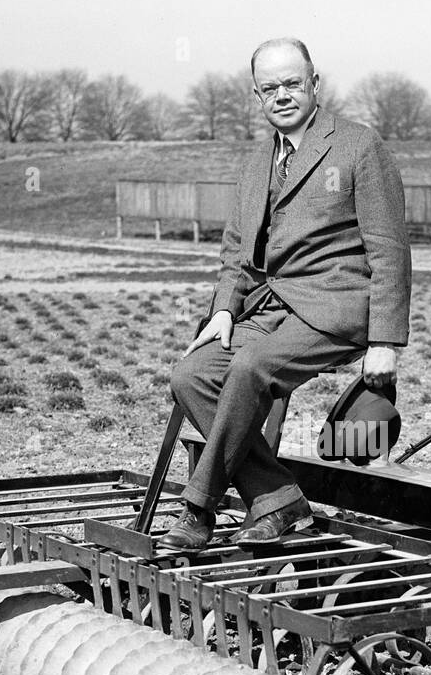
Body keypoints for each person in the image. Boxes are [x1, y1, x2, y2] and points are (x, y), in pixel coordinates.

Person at [164, 37, 411, 550]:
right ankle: (278, 499)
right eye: (269, 88)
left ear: (315, 84)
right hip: (270, 307)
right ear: (257, 96)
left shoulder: (359, 146)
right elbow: (237, 248)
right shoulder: (257, 163)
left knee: (248, 368)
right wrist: (224, 311)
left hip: (336, 308)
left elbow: (389, 249)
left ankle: (197, 508)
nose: (282, 96)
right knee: (189, 374)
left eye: (292, 84)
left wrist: (385, 342)